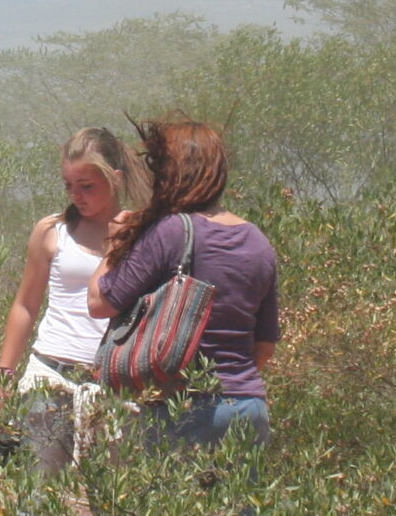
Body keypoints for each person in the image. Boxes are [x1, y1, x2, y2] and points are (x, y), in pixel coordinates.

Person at [89, 119, 279, 450]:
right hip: (246, 406)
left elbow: (100, 302)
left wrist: (114, 246)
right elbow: (264, 347)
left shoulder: (172, 231)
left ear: (171, 174)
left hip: (180, 407)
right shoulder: (258, 242)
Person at [0, 128, 149, 489]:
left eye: (87, 186)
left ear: (115, 179)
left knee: (114, 501)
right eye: (69, 186)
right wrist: (5, 371)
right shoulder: (52, 231)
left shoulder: (142, 233)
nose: (76, 196)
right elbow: (26, 304)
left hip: (113, 384)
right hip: (50, 374)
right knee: (36, 497)